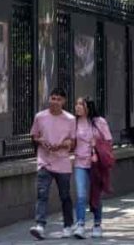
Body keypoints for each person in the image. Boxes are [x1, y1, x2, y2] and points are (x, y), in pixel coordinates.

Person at [29, 87, 76, 240]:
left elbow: (73, 141)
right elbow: (34, 136)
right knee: (42, 194)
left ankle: (68, 225)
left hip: (62, 163)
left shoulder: (70, 119)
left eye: (58, 99)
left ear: (64, 101)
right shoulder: (40, 117)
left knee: (65, 196)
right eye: (52, 98)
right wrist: (40, 141)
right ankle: (40, 226)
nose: (55, 102)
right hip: (45, 162)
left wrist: (62, 145)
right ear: (49, 99)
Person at [73, 97, 112, 239]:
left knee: (96, 195)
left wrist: (97, 143)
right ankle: (80, 225)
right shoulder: (74, 122)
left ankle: (97, 224)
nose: (77, 107)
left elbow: (108, 141)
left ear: (88, 107)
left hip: (95, 164)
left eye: (80, 104)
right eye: (76, 104)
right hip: (80, 163)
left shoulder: (99, 122)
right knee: (81, 195)